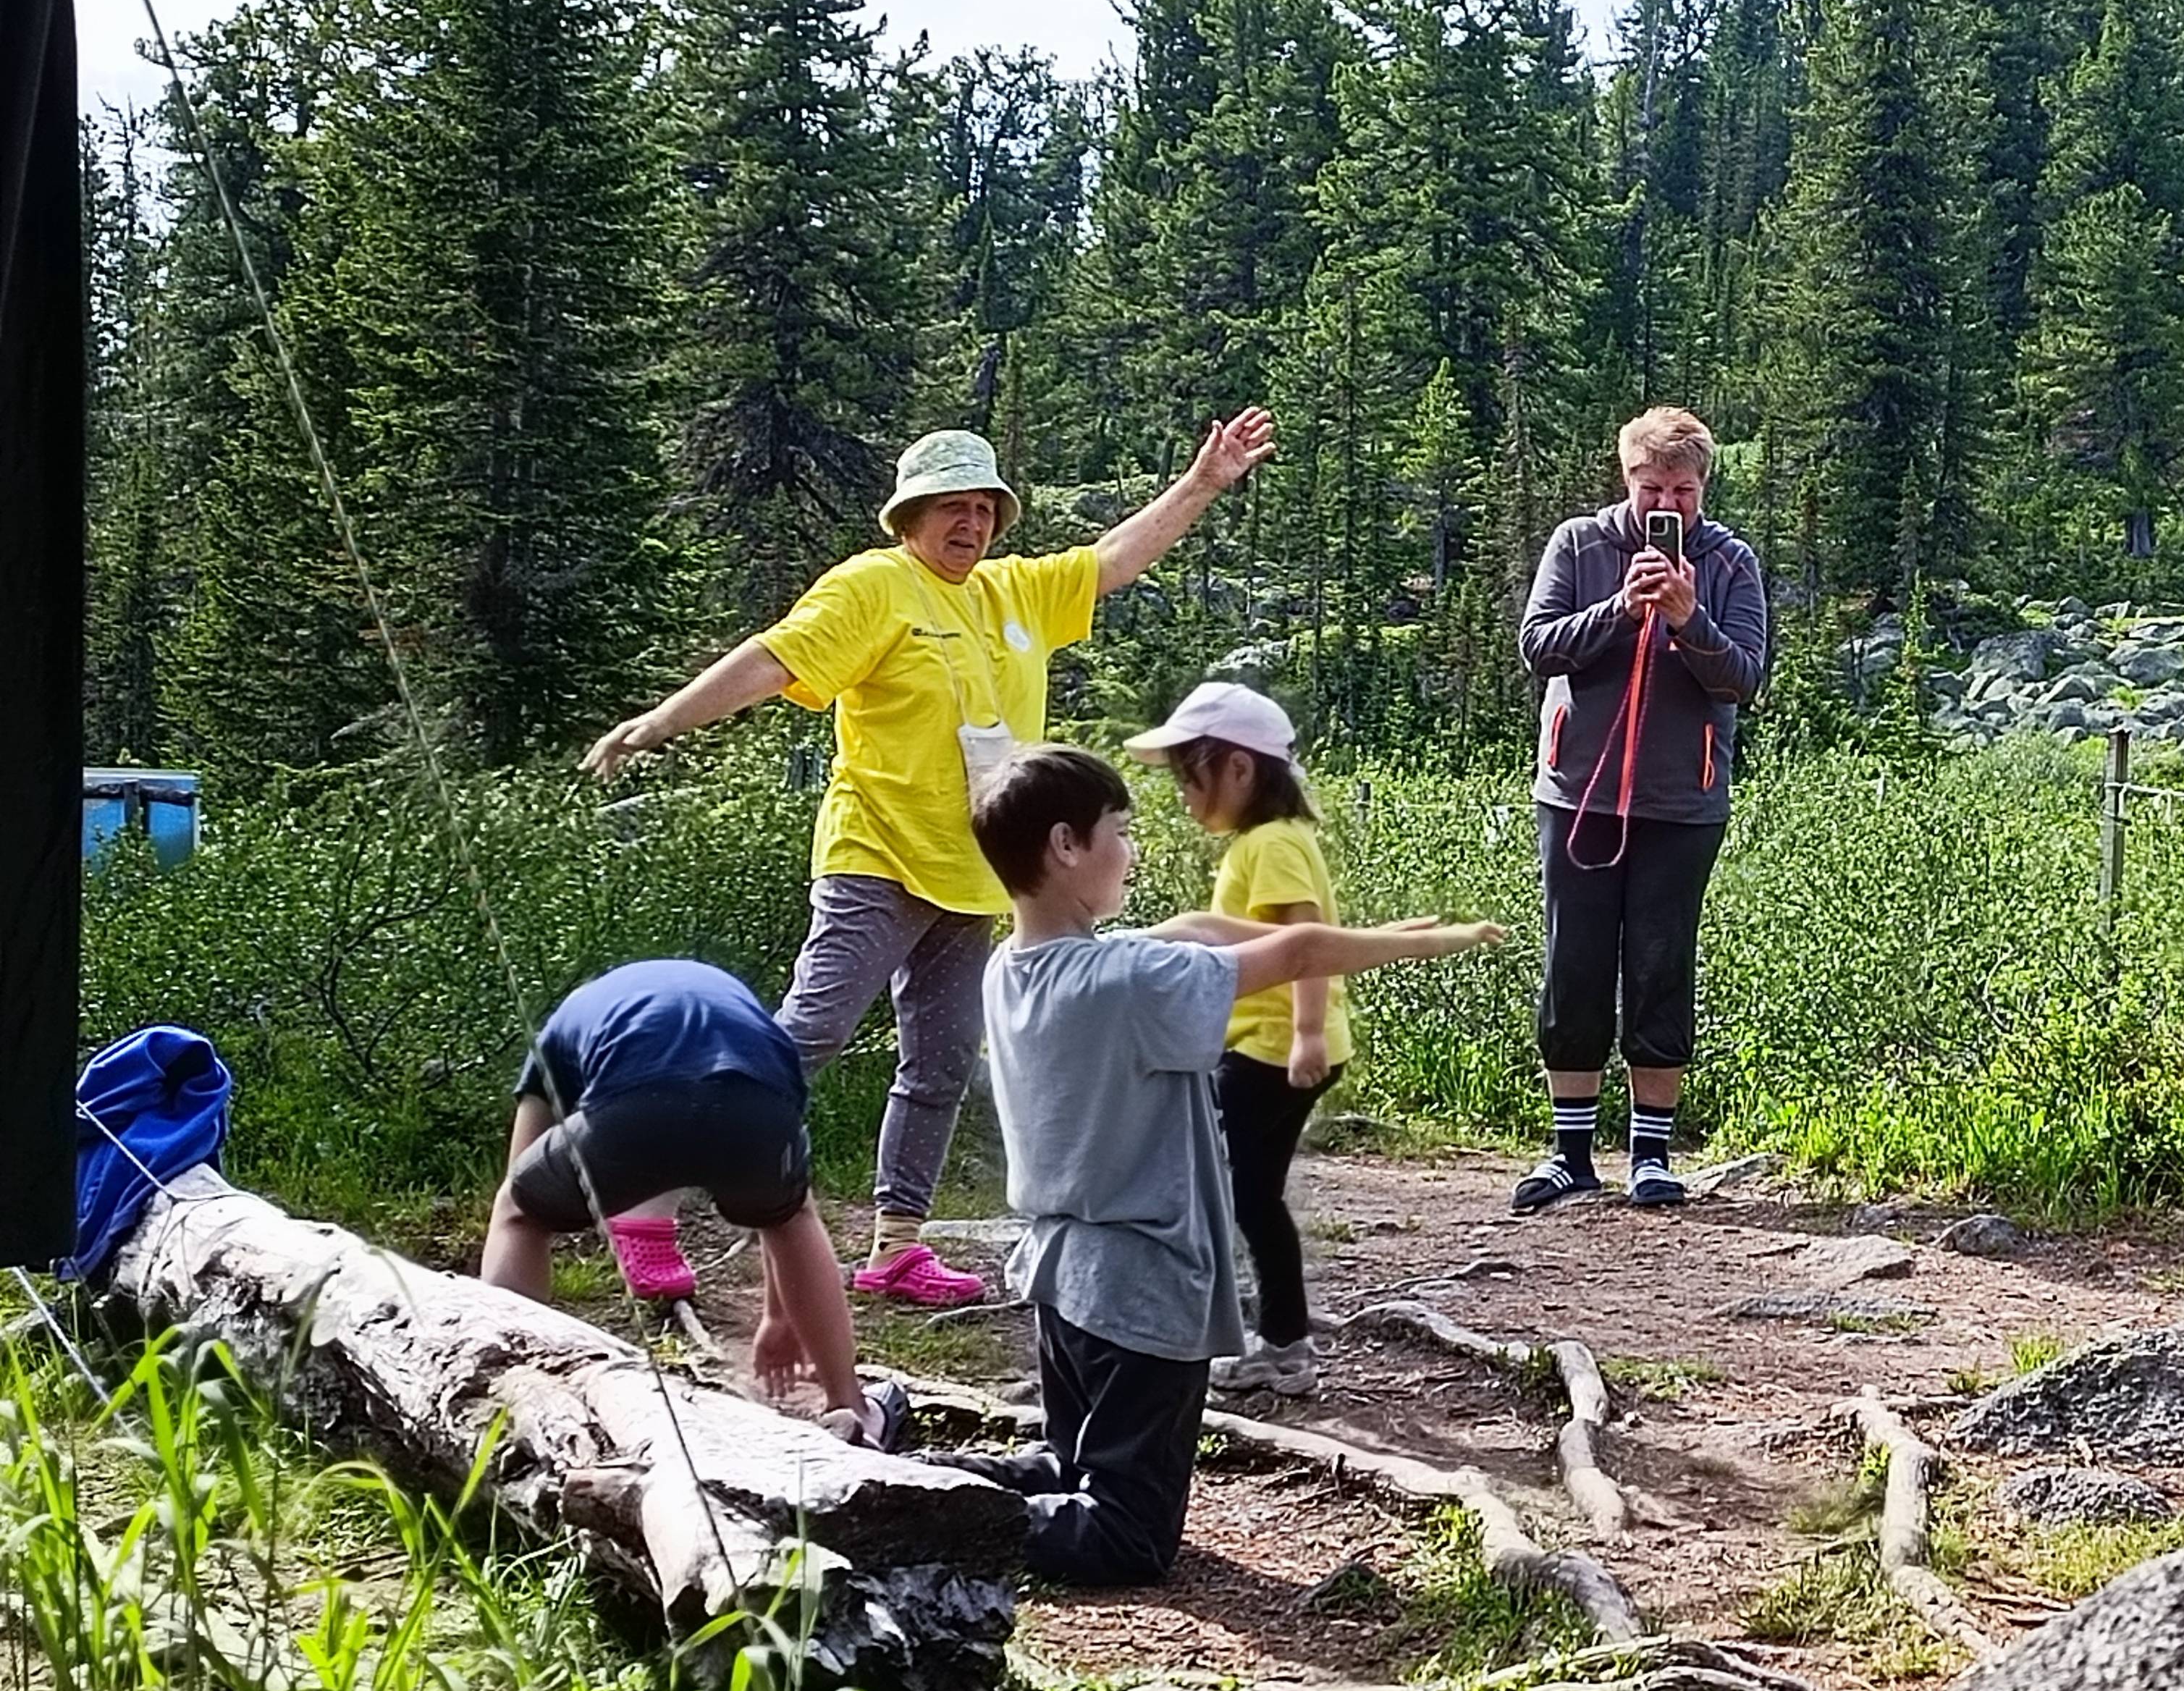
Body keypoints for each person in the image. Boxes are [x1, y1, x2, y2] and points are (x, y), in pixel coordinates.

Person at [578, 414, 1276, 1308]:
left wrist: (1204, 481)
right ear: (909, 515)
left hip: (976, 872)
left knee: (940, 1062)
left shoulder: (1013, 595)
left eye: (984, 507)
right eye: (952, 505)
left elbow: (1111, 560)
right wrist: (665, 719)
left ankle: (897, 1247)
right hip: (876, 853)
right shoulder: (876, 587)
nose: (971, 523)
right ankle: (648, 1198)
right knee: (809, 1032)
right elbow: (773, 657)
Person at [926, 744, 1501, 1584]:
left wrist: (1370, 937)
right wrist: (1427, 943)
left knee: (1072, 1465)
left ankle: (921, 1490)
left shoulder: (1010, 971)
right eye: (1119, 831)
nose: (1133, 848)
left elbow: (1195, 933)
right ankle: (928, 1520)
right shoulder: (1128, 981)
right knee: (1126, 1536)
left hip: (1061, 1279)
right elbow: (1294, 954)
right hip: (1138, 1289)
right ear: (1064, 846)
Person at [1512, 406, 1771, 1213]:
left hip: (1680, 803)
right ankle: (1569, 1154)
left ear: (1703, 487)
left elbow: (1744, 678)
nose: (1668, 502)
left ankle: (1652, 1155)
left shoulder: (1730, 563)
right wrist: (1620, 611)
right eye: (1652, 486)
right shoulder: (1579, 545)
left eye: (1683, 489)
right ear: (1626, 479)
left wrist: (1689, 620)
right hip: (1577, 793)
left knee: (1661, 969)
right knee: (1573, 967)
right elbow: (1539, 645)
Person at [480, 959, 884, 1444]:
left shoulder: (566, 1023)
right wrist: (778, 1319)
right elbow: (784, 1188)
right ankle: (850, 1402)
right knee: (792, 1214)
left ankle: (508, 1388)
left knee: (519, 1212)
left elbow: (521, 1173)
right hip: (754, 1100)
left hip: (638, 1103)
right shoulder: (737, 1006)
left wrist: (533, 1203)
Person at [1126, 682, 1344, 1399]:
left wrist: (1306, 1033)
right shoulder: (1267, 843)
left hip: (1270, 1049)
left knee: (1214, 1189)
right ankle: (1284, 1343)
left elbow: (1305, 943)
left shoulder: (1273, 846)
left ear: (1240, 769)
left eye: (1192, 778)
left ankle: (1215, 1335)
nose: (1186, 798)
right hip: (1268, 1045)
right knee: (1252, 1194)